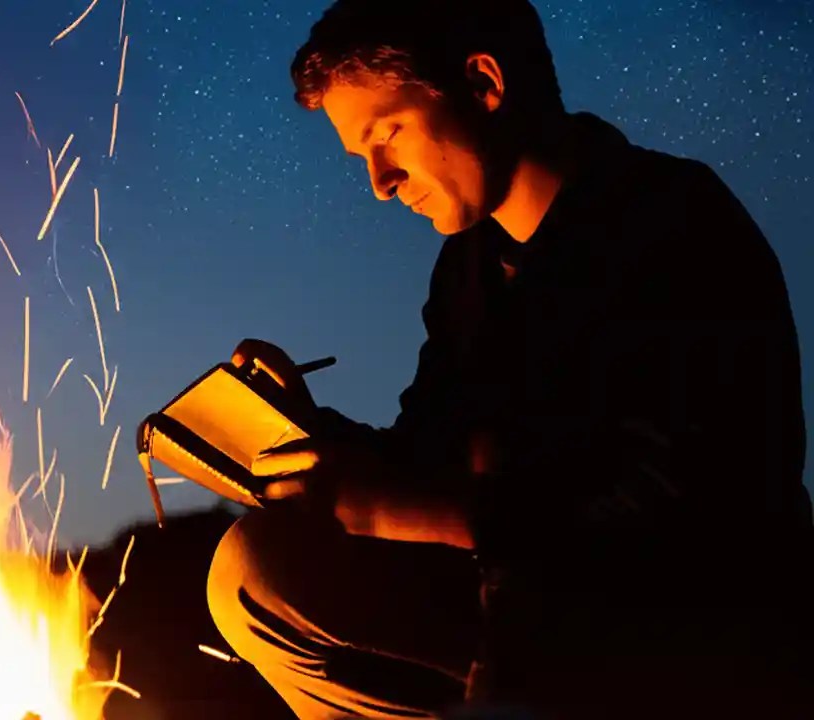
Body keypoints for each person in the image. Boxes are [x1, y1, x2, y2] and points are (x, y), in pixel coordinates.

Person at [204, 1, 813, 718]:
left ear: (484, 84)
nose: (378, 180)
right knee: (260, 568)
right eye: (360, 156)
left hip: (686, 631)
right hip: (514, 601)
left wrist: (409, 509)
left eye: (388, 134)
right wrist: (312, 434)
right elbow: (427, 452)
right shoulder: (468, 270)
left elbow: (677, 516)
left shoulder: (676, 223)